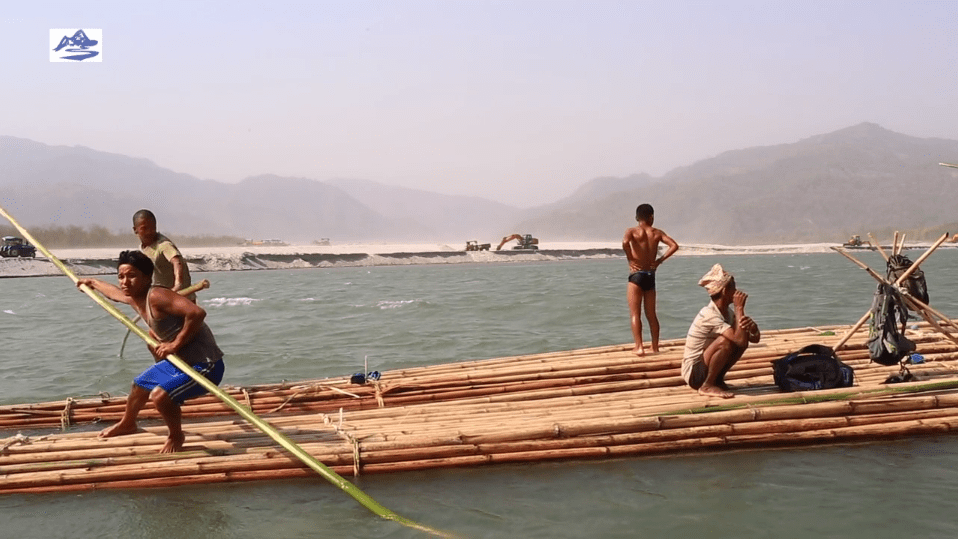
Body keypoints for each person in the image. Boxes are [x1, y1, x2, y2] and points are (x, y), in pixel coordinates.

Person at [77, 251, 225, 453]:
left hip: (205, 365)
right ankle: (127, 424)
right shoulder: (135, 298)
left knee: (160, 396)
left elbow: (197, 313)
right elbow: (115, 294)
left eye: (132, 276)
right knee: (139, 385)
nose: (125, 282)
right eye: (121, 277)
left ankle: (176, 436)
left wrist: (174, 345)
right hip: (178, 364)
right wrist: (91, 282)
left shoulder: (157, 295)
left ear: (147, 278)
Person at [681, 264, 760, 398]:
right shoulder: (709, 314)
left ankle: (717, 380)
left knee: (735, 340)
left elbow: (750, 340)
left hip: (703, 366)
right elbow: (739, 340)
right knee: (725, 341)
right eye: (733, 287)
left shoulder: (727, 313)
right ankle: (707, 385)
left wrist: (753, 328)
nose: (736, 291)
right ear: (724, 291)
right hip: (694, 374)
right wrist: (739, 308)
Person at [622, 203, 679, 356]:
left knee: (635, 313)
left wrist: (630, 259)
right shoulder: (657, 233)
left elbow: (625, 243)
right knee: (651, 315)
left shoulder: (631, 231)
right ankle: (654, 347)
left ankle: (639, 347)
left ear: (637, 217)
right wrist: (659, 261)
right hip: (650, 275)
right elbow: (674, 245)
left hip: (636, 275)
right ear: (651, 217)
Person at [132, 209, 194, 300]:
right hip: (161, 297)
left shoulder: (164, 245)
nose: (149, 231)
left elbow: (177, 262)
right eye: (144, 228)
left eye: (152, 227)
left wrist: (178, 285)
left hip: (180, 297)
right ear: (135, 230)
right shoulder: (142, 248)